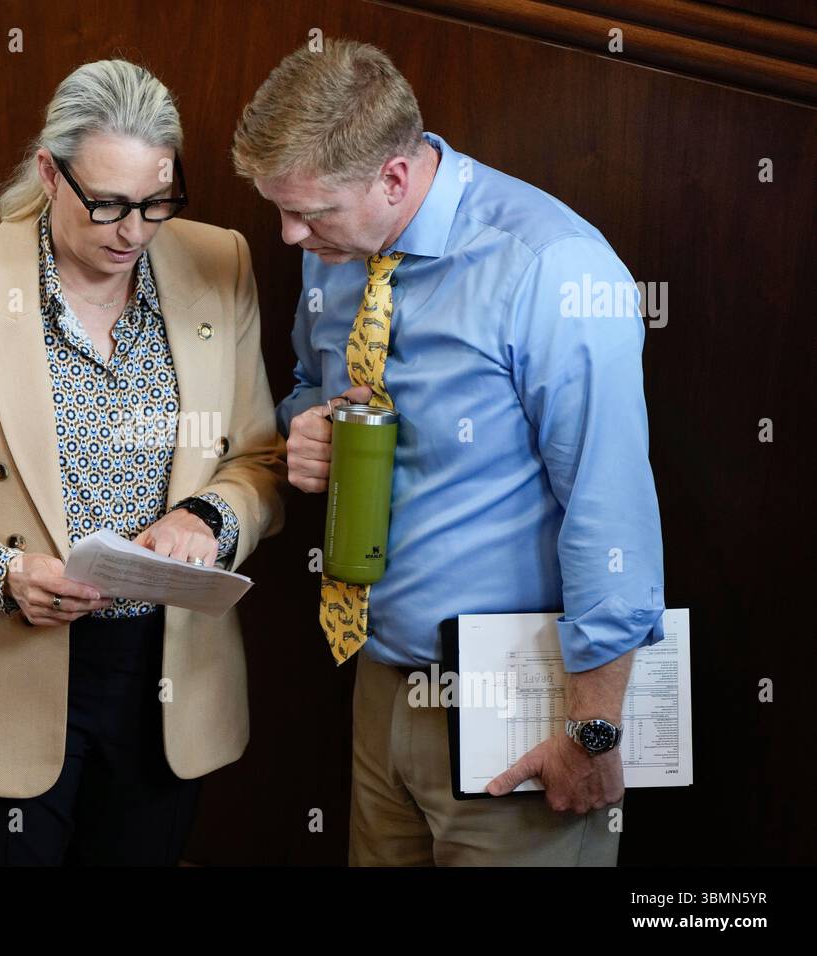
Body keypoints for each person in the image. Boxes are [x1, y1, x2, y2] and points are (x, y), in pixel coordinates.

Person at [232, 39, 665, 866]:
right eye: (281, 210)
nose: (289, 236)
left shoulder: (553, 269)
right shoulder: (337, 251)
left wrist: (594, 729)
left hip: (525, 706)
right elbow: (300, 380)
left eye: (310, 212)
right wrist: (307, 424)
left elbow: (611, 515)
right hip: (378, 681)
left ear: (393, 179)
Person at [0, 58, 286, 865]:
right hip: (0, 676)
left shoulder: (219, 263)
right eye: (110, 205)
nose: (134, 231)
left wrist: (210, 517)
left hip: (165, 682)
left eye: (158, 203)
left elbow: (258, 458)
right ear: (50, 174)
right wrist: (0, 573)